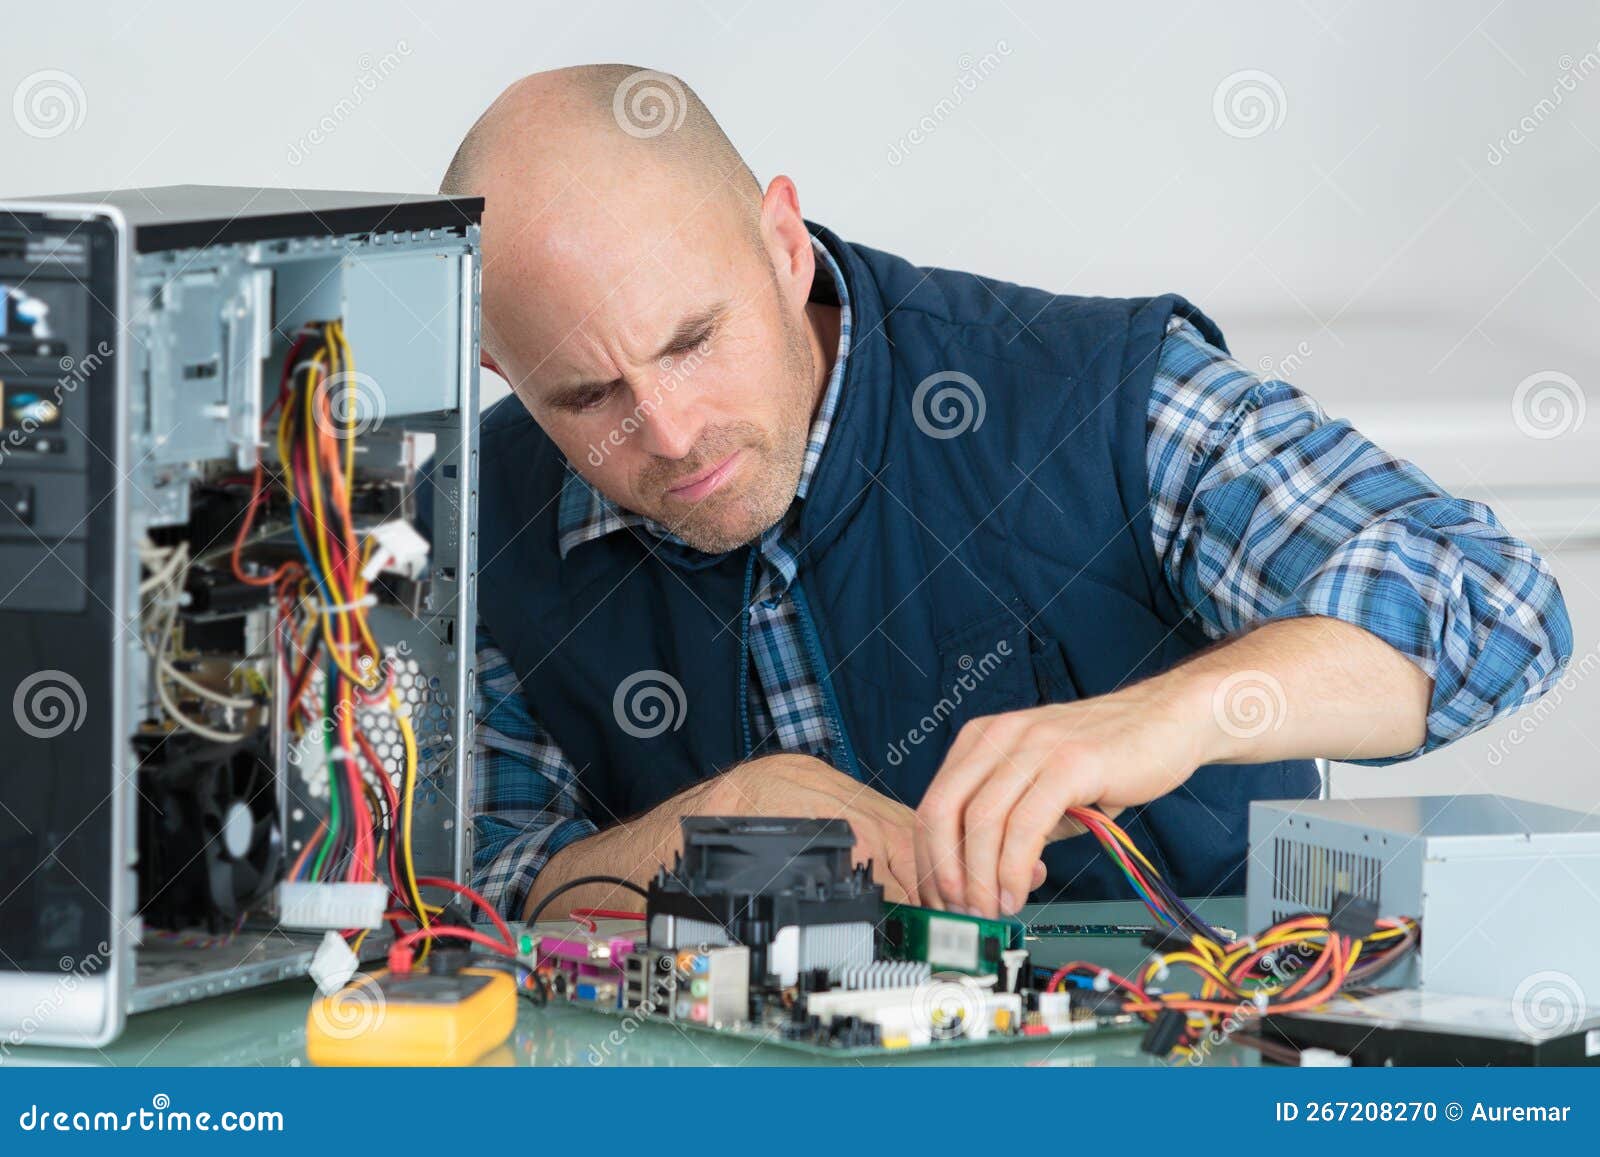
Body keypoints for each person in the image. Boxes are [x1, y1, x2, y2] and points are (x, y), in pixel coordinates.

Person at [439, 65, 1570, 922]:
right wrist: (701, 832)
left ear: (782, 244)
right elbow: (468, 899)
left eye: (692, 339)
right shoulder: (471, 526)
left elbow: (1485, 603)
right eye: (589, 396)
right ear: (502, 374)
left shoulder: (1090, 397)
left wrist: (1164, 717)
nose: (671, 432)